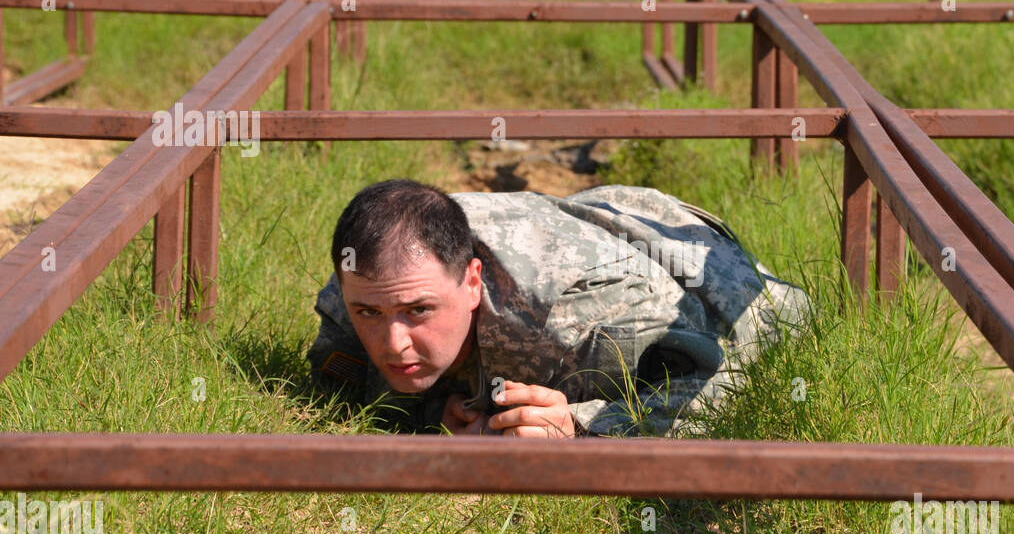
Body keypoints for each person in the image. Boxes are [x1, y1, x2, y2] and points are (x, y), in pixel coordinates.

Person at [307, 180, 810, 438]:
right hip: (555, 220)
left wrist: (584, 426)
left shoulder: (586, 311)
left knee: (779, 330)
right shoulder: (366, 277)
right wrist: (436, 410)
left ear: (471, 283)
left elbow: (732, 383)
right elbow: (343, 385)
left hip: (706, 278)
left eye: (418, 311)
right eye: (370, 315)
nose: (392, 344)